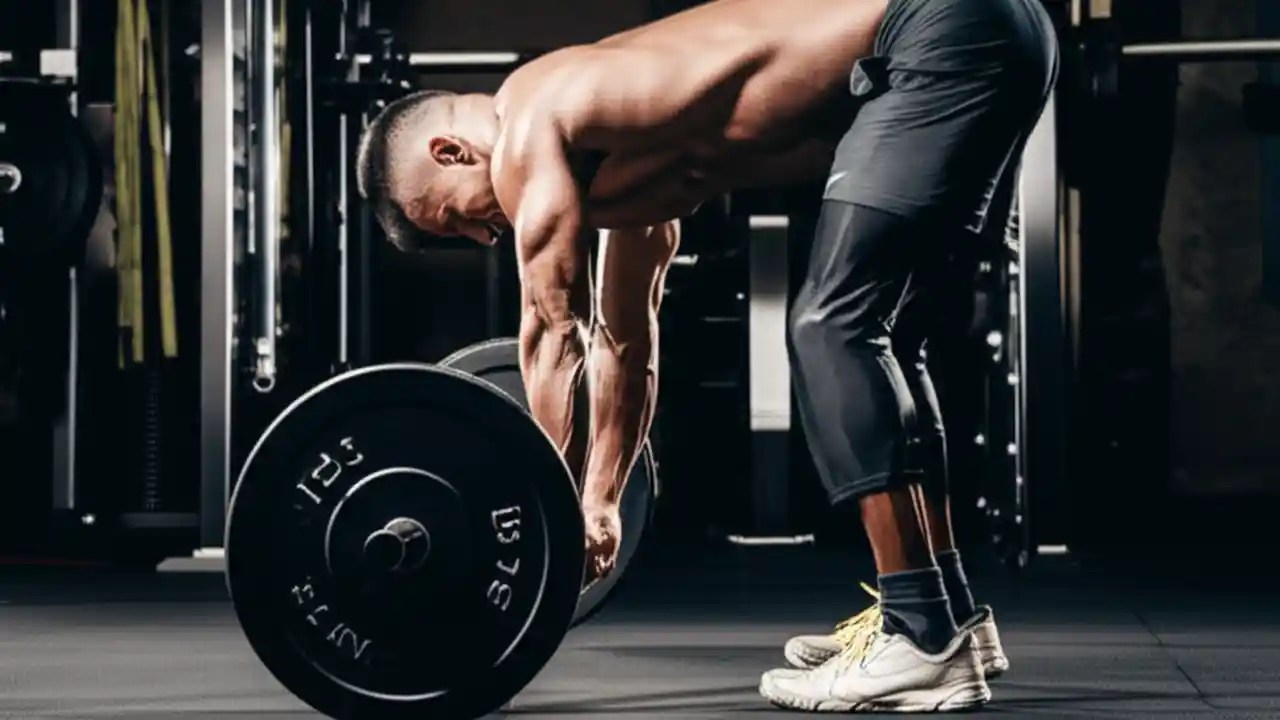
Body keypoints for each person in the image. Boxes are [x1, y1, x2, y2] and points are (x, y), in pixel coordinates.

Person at [356, 0, 1058, 711]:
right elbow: (625, 344)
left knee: (831, 327)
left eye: (454, 217)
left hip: (935, 30)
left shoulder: (528, 116)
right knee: (889, 338)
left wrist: (540, 521)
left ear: (450, 151)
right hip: (997, 31)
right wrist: (599, 502)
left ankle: (918, 636)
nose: (483, 237)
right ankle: (947, 618)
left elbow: (551, 330)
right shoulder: (617, 144)